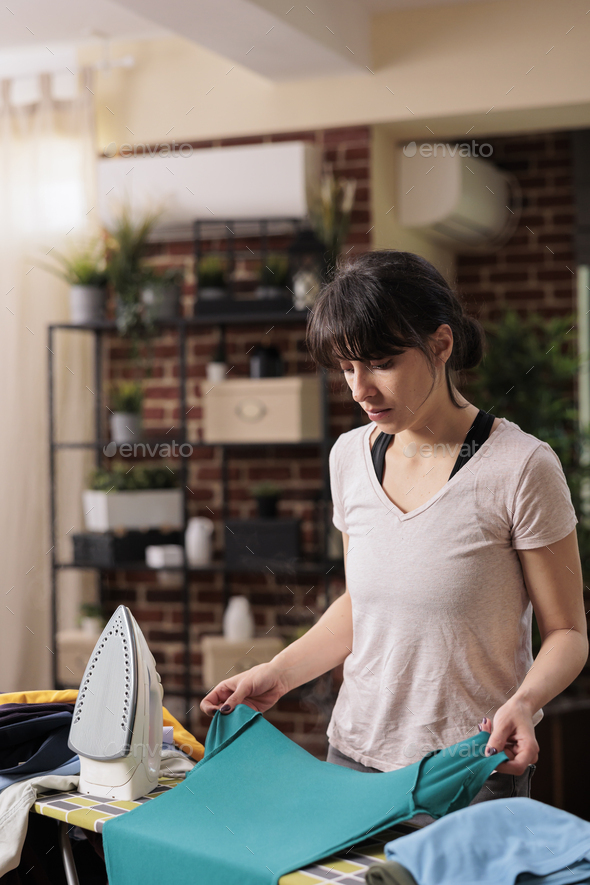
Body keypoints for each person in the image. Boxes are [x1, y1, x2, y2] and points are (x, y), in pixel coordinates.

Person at [201, 250, 588, 823]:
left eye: (380, 363)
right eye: (347, 366)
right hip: (352, 756)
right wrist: (277, 673)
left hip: (469, 766)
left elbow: (568, 632)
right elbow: (363, 603)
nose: (360, 388)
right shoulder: (349, 457)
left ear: (441, 345)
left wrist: (524, 702)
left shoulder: (522, 467)